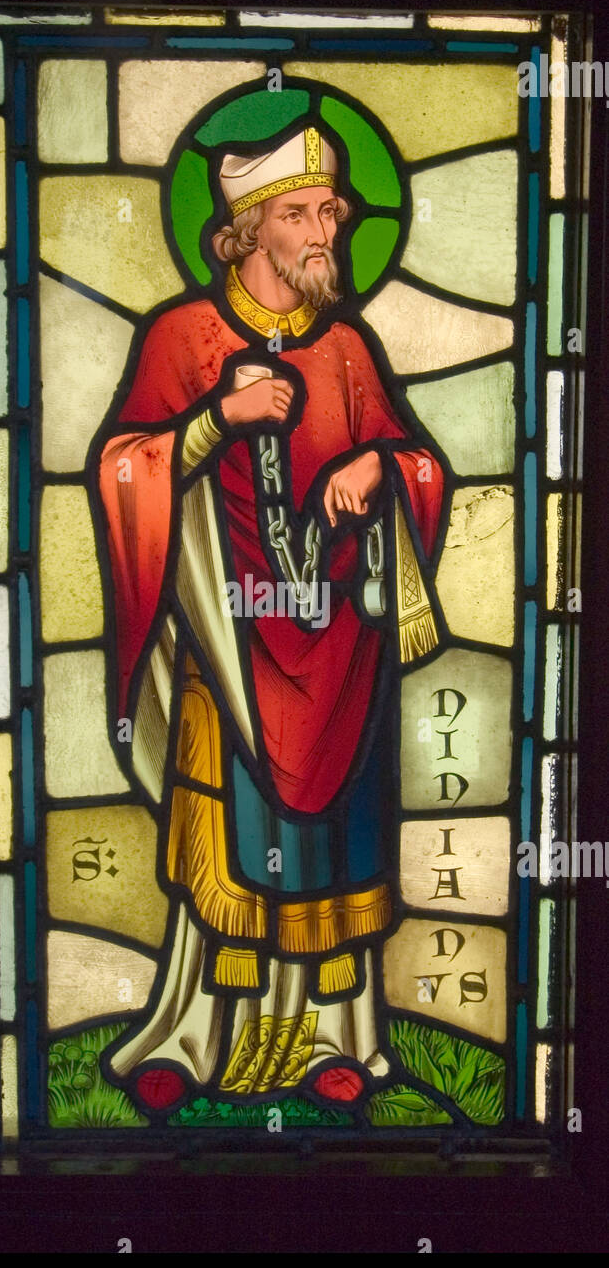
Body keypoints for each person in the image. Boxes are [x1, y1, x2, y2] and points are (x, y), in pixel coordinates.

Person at [93, 124, 445, 1111]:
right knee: (229, 835)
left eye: (330, 210)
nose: (323, 229)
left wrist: (384, 466)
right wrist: (213, 422)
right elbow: (125, 467)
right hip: (227, 633)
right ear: (241, 232)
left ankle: (336, 1039)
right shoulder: (182, 339)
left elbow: (416, 463)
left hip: (340, 642)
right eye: (299, 212)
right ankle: (199, 1037)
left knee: (335, 843)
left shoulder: (346, 348)